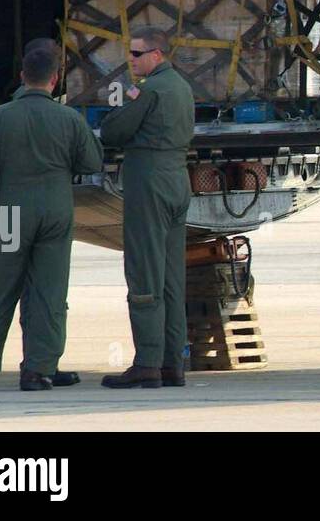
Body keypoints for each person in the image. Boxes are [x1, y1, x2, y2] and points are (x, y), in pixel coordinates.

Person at [0, 42, 104, 391]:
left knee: (2, 288)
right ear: (56, 80)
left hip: (13, 210)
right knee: (49, 291)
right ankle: (38, 370)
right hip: (56, 210)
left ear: (22, 77)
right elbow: (91, 162)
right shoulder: (69, 118)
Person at [99, 26, 195, 389]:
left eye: (137, 54)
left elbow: (114, 132)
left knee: (143, 272)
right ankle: (173, 364)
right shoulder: (182, 88)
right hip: (177, 179)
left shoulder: (151, 90)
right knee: (172, 277)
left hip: (150, 182)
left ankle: (147, 363)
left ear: (157, 54)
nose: (131, 60)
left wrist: (124, 106)